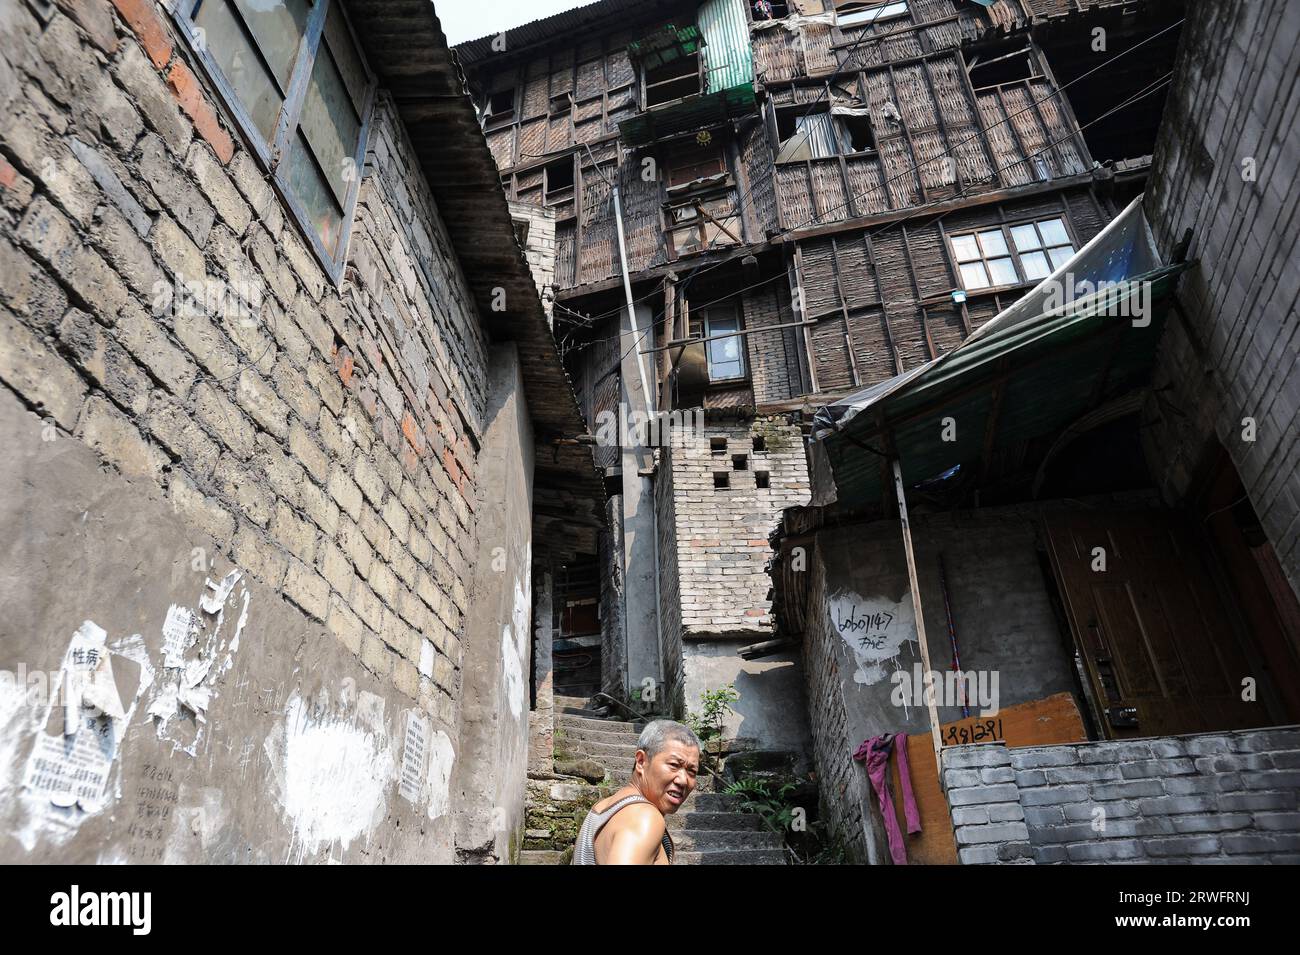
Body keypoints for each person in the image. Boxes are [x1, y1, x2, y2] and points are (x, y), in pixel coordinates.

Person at [572, 719, 701, 865]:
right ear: (641, 761)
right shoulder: (644, 818)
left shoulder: (602, 807)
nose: (683, 780)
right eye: (674, 765)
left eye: (692, 771)